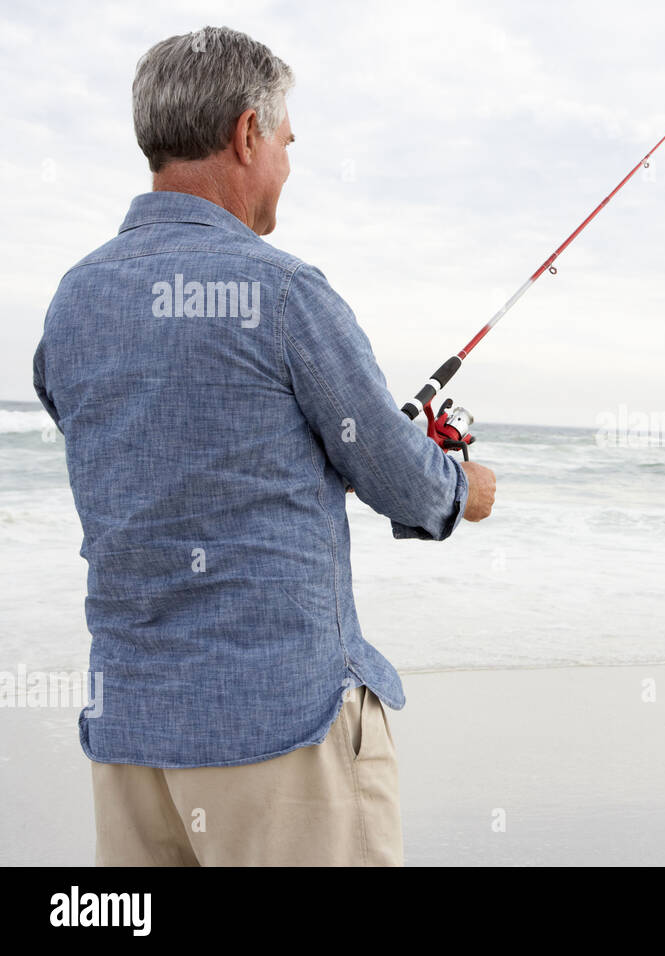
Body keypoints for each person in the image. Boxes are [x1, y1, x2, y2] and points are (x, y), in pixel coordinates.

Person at [31, 25, 495, 866]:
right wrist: (465, 486)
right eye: (285, 141)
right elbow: (404, 480)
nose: (286, 163)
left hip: (132, 740)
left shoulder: (72, 305)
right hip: (283, 731)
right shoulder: (284, 294)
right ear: (247, 134)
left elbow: (141, 453)